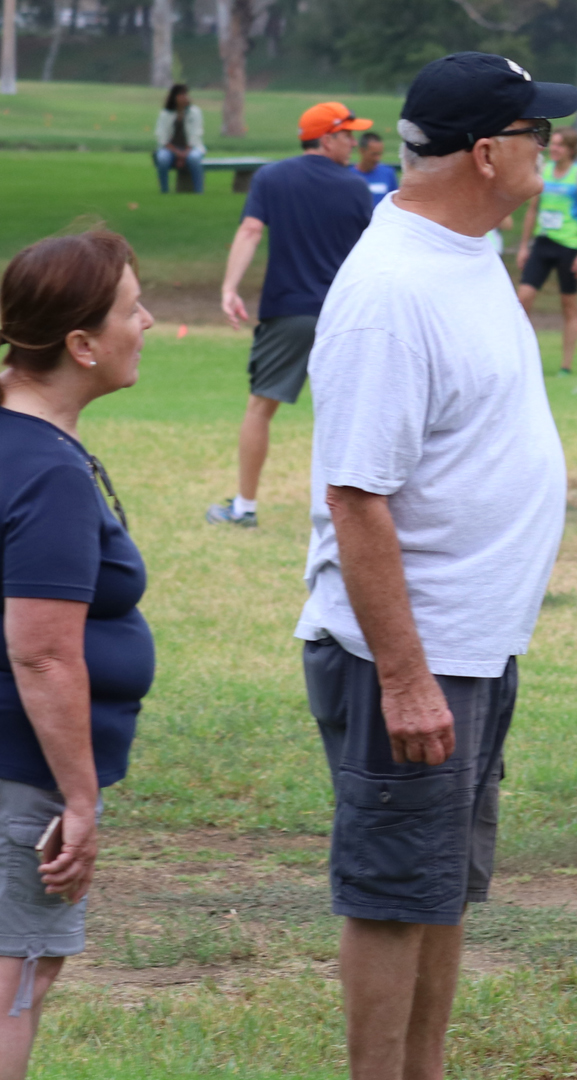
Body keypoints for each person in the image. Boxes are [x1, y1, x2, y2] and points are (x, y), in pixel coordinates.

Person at [292, 52, 577, 1080]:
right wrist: (407, 677)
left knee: (439, 889)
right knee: (391, 896)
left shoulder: (464, 252)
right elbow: (357, 496)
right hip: (406, 658)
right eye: (536, 136)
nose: (547, 151)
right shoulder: (391, 290)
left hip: (470, 644)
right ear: (491, 153)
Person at [0, 229, 153, 1079]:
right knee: (13, 975)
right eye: (132, 310)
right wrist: (81, 798)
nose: (150, 322)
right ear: (81, 345)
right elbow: (43, 657)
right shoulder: (46, 471)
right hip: (18, 768)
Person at [205, 102, 374, 529]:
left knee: (260, 408)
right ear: (326, 138)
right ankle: (347, 512)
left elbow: (249, 230)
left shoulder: (271, 177)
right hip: (342, 317)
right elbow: (369, 255)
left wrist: (229, 288)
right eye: (348, 134)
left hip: (289, 313)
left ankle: (244, 508)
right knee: (345, 415)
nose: (354, 143)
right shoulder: (356, 188)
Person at [515, 127, 577, 376]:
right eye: (553, 144)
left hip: (569, 247)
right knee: (523, 299)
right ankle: (522, 357)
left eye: (560, 145)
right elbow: (532, 210)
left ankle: (566, 365)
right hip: (543, 243)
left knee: (568, 306)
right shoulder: (544, 171)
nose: (554, 148)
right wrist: (523, 246)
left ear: (571, 149)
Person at [153, 83, 205, 194]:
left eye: (185, 94)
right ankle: (164, 190)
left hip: (191, 148)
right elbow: (162, 138)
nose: (184, 97)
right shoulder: (165, 114)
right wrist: (178, 153)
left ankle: (198, 191)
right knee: (162, 159)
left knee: (194, 159)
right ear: (174, 97)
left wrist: (185, 152)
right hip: (171, 149)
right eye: (181, 95)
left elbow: (196, 135)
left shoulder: (194, 113)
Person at [354, 132, 399, 207]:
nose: (378, 158)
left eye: (379, 154)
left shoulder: (388, 173)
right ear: (361, 151)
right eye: (374, 154)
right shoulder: (350, 175)